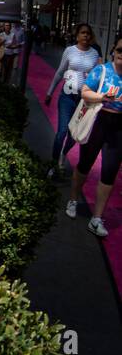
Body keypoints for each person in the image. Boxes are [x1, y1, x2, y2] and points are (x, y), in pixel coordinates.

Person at [68, 34, 122, 238]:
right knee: (85, 163)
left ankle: (96, 218)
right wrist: (103, 97)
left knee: (110, 172)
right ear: (113, 51)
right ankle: (73, 198)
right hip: (98, 120)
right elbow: (85, 92)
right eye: (119, 50)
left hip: (119, 127)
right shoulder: (103, 70)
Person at [46, 23, 101, 179]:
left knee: (73, 135)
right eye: (82, 33)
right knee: (62, 132)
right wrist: (50, 92)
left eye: (88, 34)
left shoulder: (94, 54)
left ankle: (63, 155)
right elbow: (59, 72)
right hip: (67, 97)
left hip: (83, 101)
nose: (85, 36)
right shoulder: (69, 51)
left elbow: (96, 78)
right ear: (77, 35)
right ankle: (53, 164)